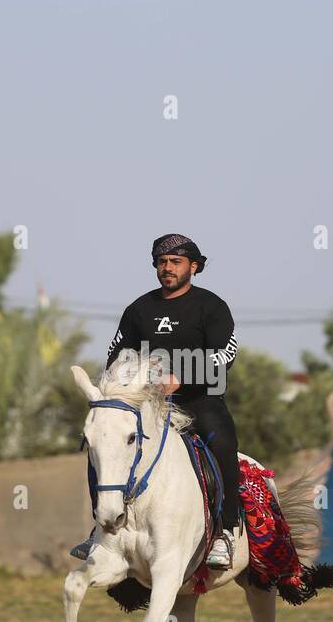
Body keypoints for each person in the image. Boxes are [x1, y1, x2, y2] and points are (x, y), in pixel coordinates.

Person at [73, 232, 241, 568]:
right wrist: (129, 386)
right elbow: (115, 355)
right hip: (146, 406)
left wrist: (183, 376)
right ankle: (101, 530)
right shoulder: (139, 309)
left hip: (199, 400)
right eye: (162, 262)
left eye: (176, 262)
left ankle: (226, 531)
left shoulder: (212, 306)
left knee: (223, 442)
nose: (168, 268)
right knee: (100, 444)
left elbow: (226, 353)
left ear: (193, 266)